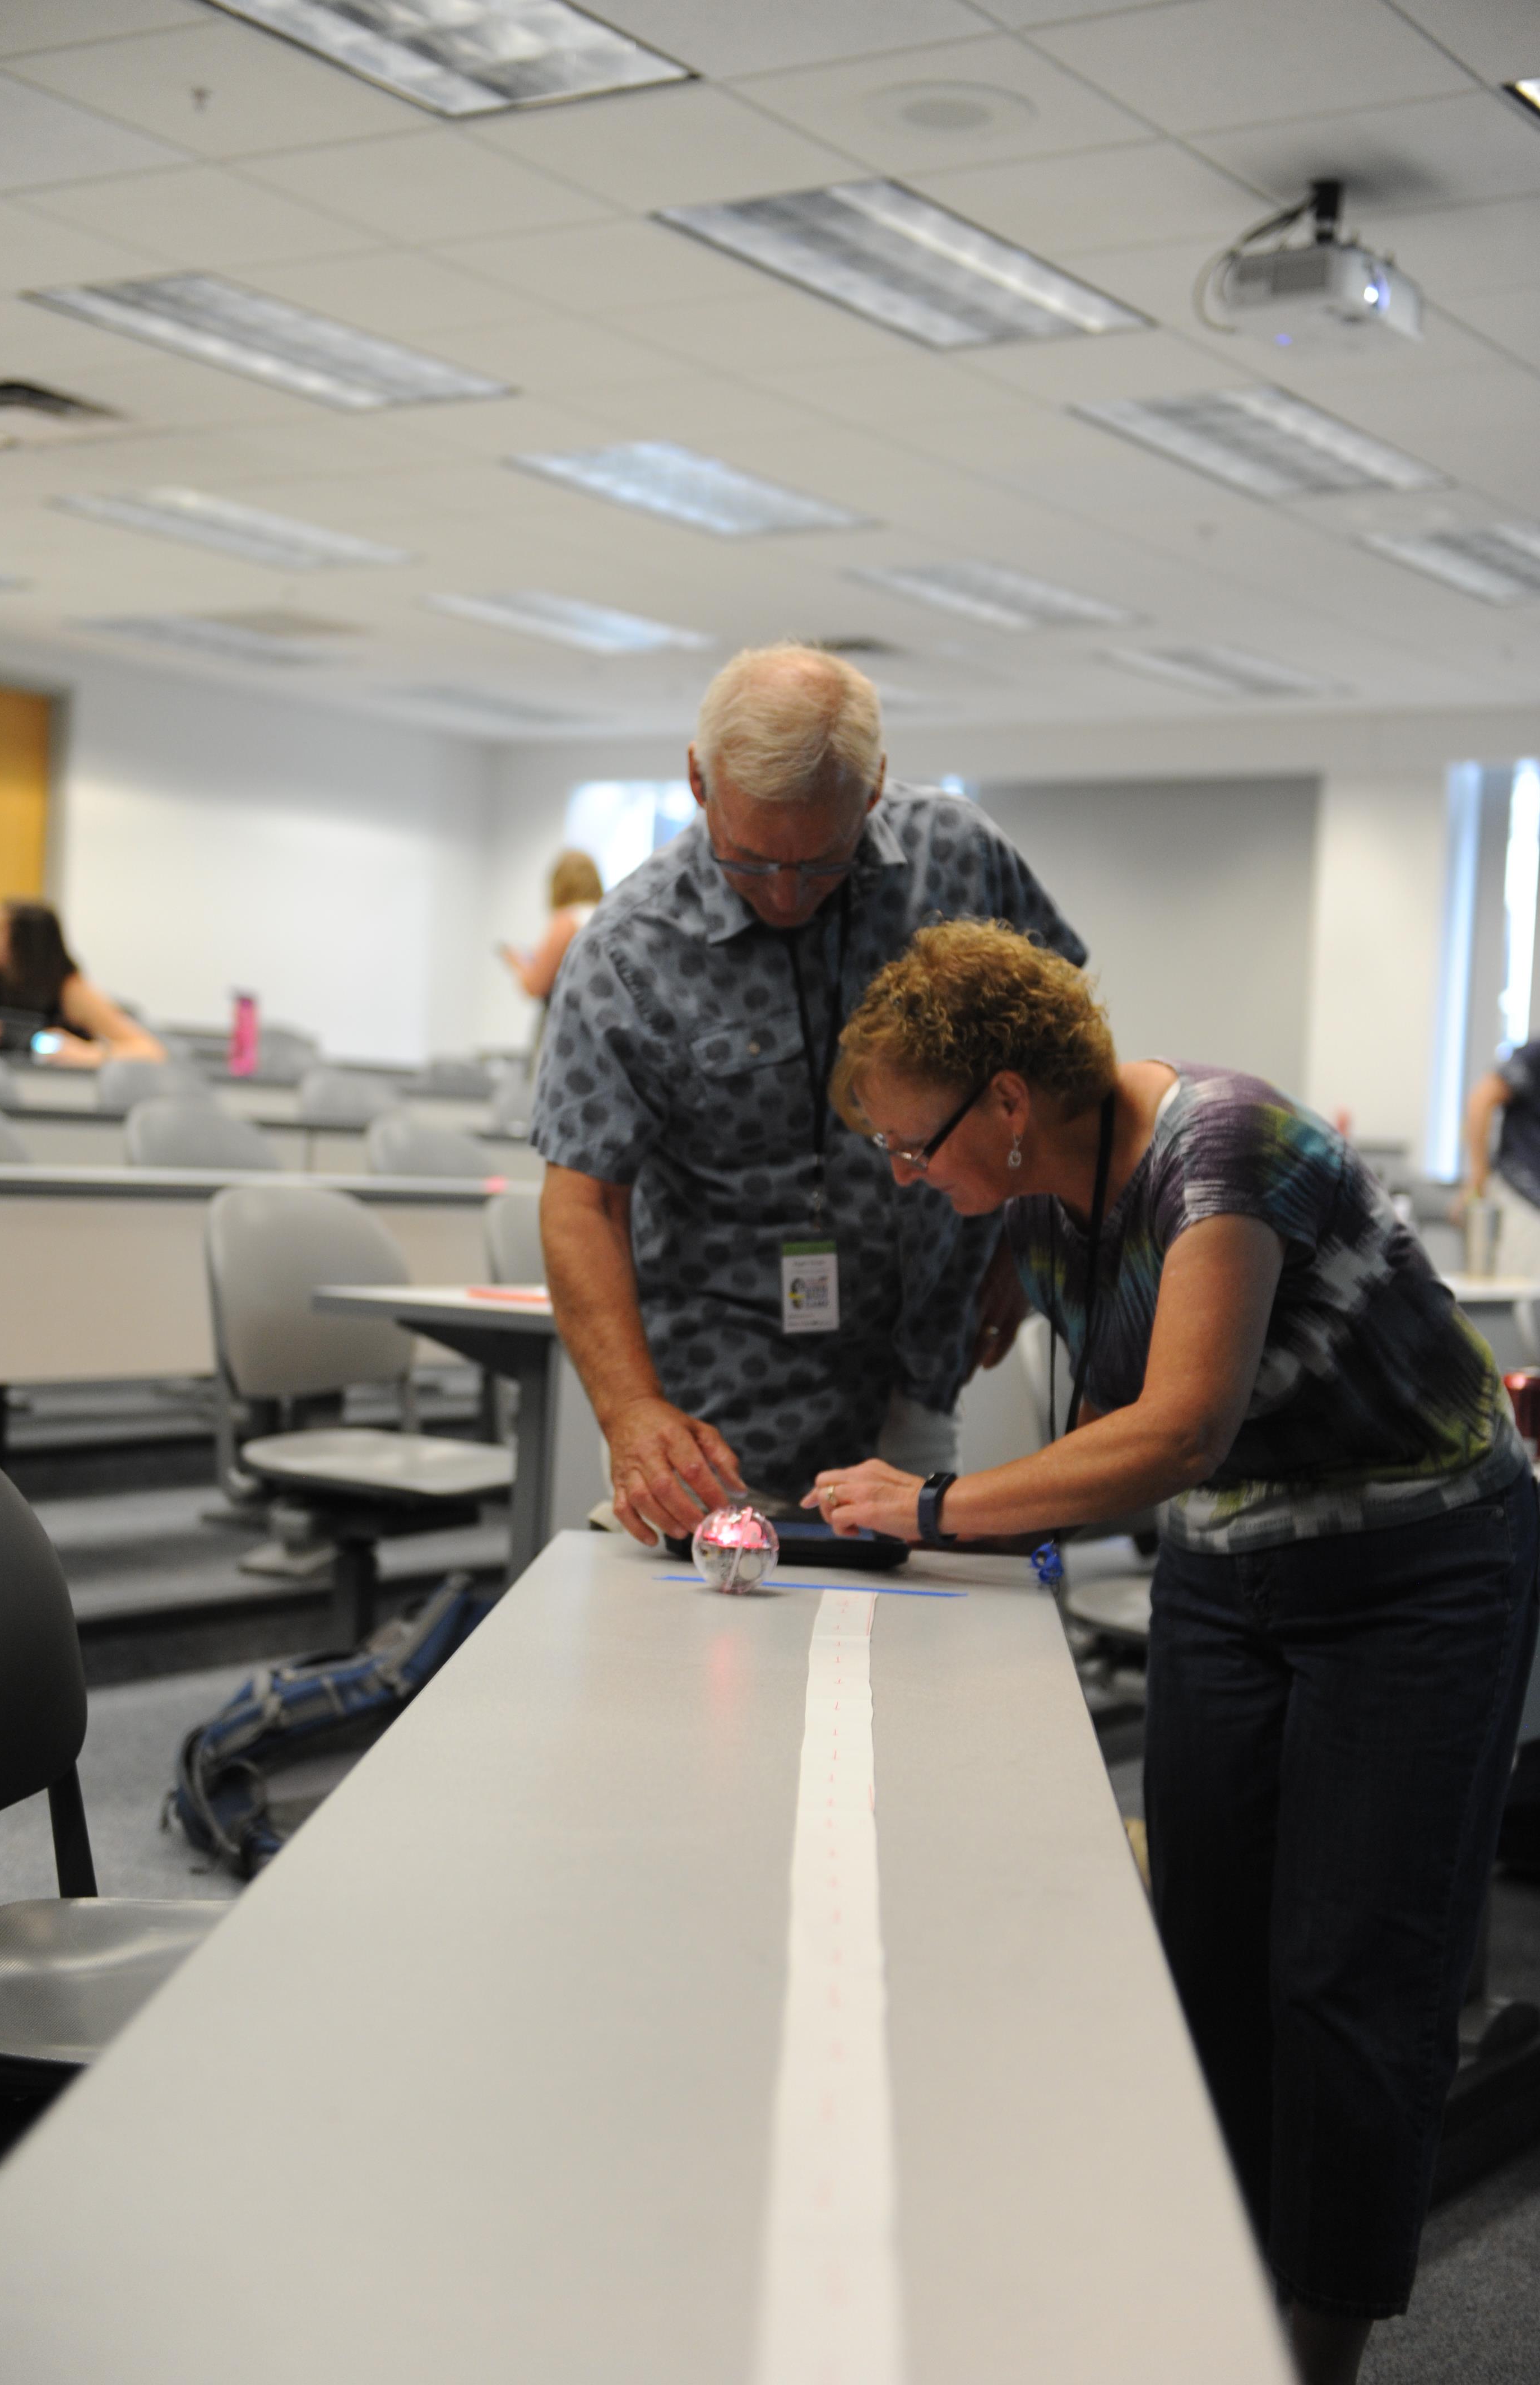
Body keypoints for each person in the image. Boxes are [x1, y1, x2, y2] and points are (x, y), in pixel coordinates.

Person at [810, 920, 1538, 2385]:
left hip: (1415, 1570)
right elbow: (1007, 1342)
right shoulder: (1031, 1186)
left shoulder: (1225, 1154)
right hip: (1234, 1565)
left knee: (1346, 1983)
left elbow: (1178, 1428)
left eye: (915, 1146)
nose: (907, 1176)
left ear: (1008, 1104)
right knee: (1202, 1960)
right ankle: (1206, 2311)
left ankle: (1313, 2357)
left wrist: (935, 1506)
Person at [532, 644, 1086, 1544]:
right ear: (697, 783)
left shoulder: (959, 860)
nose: (785, 893)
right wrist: (631, 1411)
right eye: (750, 862)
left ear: (872, 790)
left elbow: (1061, 1065)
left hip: (916, 1363)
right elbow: (582, 1201)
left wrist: (1033, 1236)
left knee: (894, 1660)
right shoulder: (629, 952)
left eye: (819, 863)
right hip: (716, 1400)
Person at [0, 898, 164, 1069]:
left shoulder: (71, 991)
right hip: (1, 1085)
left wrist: (89, 1054)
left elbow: (150, 1050)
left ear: (26, 941)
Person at [1462, 1041, 1540, 1274]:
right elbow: (1480, 1101)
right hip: (1525, 1204)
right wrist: (1479, 1176)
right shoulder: (1534, 1057)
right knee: (1522, 1300)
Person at [500, 849, 603, 1009]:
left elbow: (535, 986)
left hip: (569, 1021)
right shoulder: (603, 916)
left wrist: (517, 963)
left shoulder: (568, 920)